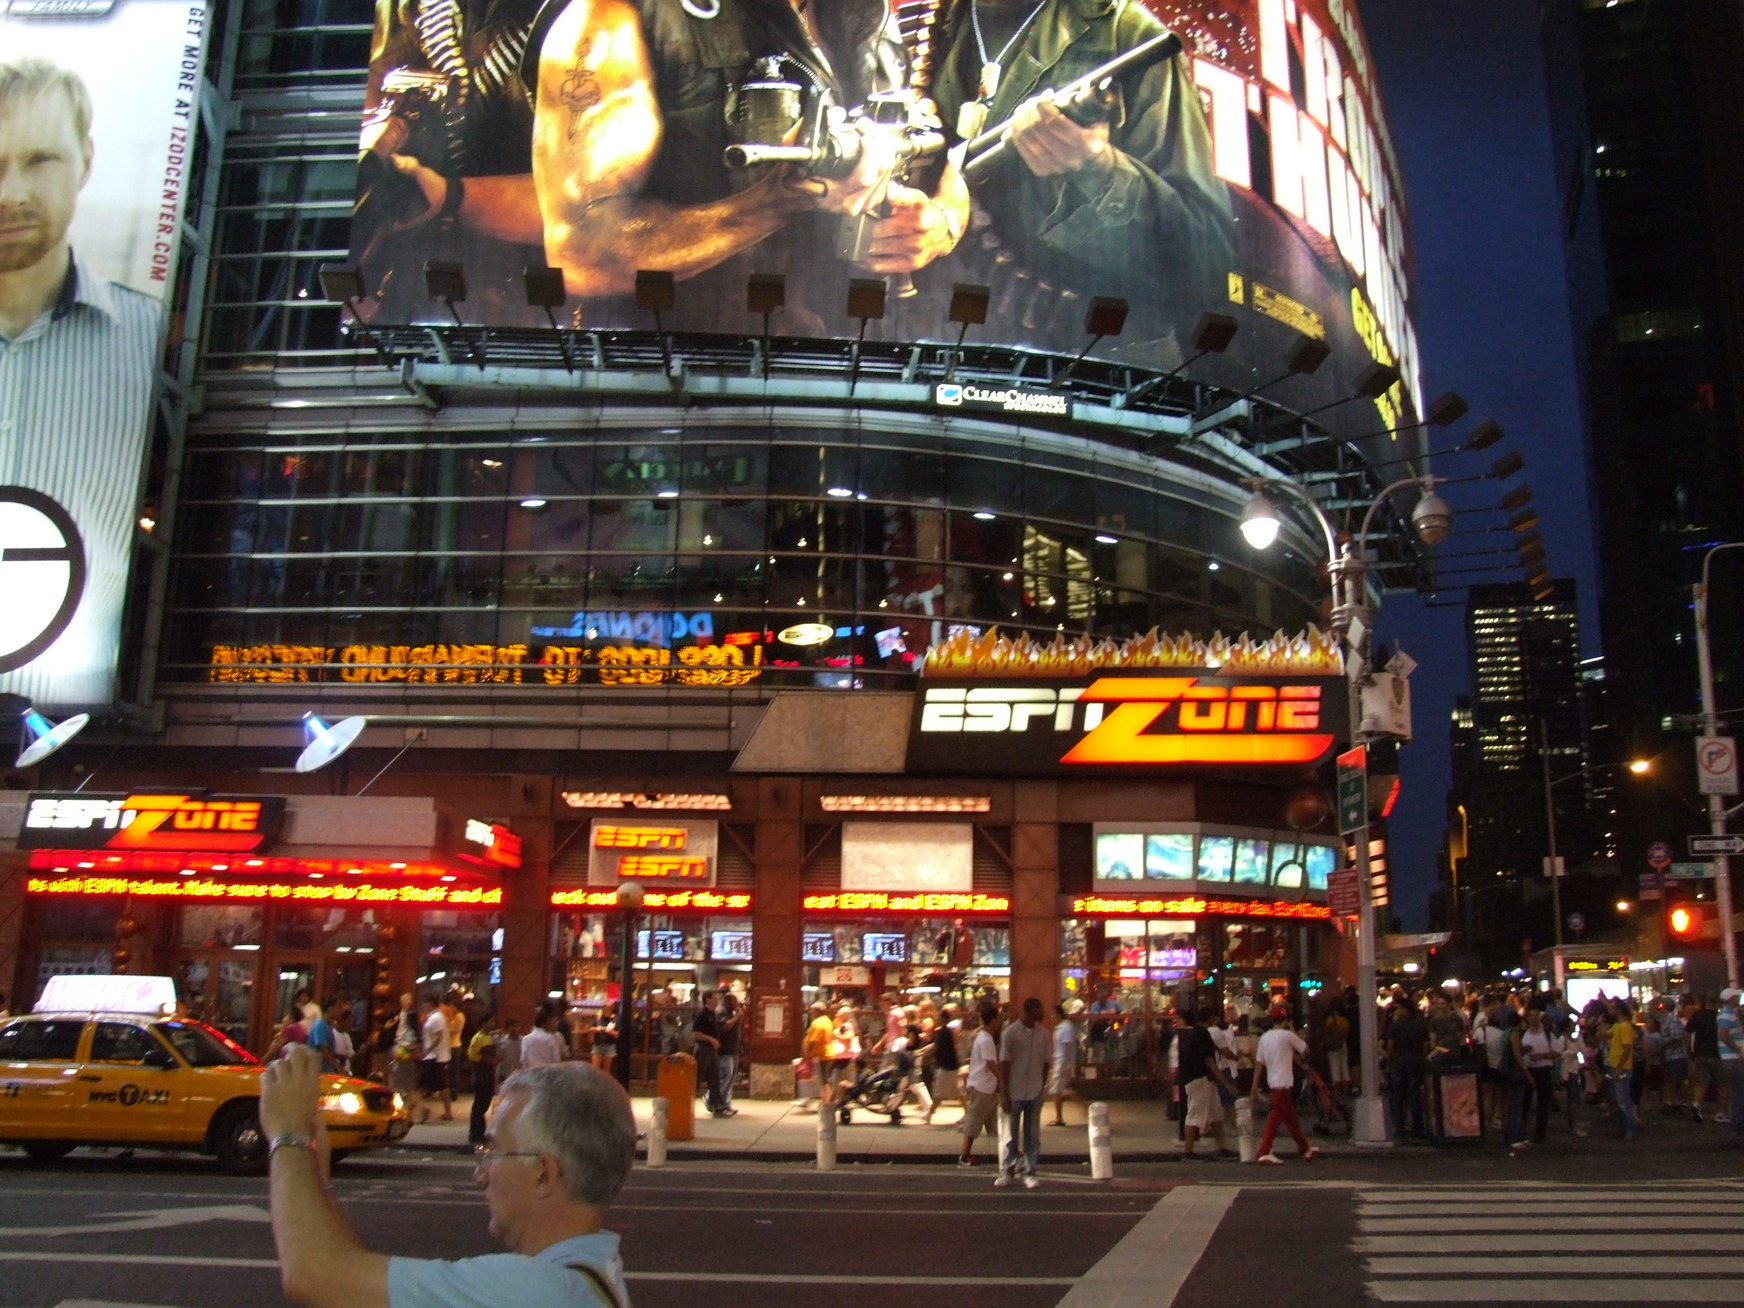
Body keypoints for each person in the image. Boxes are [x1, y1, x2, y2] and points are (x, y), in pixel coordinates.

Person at [523, 0, 967, 335]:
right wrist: (772, 203)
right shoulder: (610, 19)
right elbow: (582, 253)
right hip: (676, 384)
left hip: (845, 379)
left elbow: (934, 156)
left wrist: (940, 223)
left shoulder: (864, 13)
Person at [925, 0, 1233, 359]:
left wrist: (1099, 170)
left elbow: (1208, 263)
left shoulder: (1128, 33)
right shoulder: (918, 27)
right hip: (939, 345)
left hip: (1095, 365)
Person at [0, 60, 165, 705]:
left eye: (39, 160)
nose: (12, 192)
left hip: (77, 701)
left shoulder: (146, 339)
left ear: (86, 161)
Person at [261, 1045, 634, 1307]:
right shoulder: (588, 1276)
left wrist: (287, 1132)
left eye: (494, 1153)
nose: (480, 1175)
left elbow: (314, 1274)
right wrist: (316, 1182)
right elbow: (347, 1289)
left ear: (543, 1175)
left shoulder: (537, 1292)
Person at [1251, 1006, 1318, 1165]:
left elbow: (1259, 1063)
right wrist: (1292, 1029)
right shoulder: (1287, 1035)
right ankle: (1264, 1151)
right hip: (1285, 1081)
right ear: (1286, 1020)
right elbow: (1305, 1049)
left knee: (1290, 1118)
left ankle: (1304, 1148)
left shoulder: (1265, 1038)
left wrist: (1254, 1084)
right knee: (1275, 1118)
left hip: (1273, 1081)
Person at [996, 997, 1049, 1189]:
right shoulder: (1010, 1033)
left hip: (1034, 1091)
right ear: (1029, 1012)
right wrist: (1004, 1093)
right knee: (1010, 1135)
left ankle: (1030, 1172)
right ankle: (1008, 1170)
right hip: (1015, 1091)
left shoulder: (1043, 1034)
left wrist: (1042, 1086)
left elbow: (1046, 1062)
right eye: (1039, 1010)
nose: (1043, 1014)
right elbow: (1005, 1063)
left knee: (1032, 1135)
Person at [1179, 1005, 1236, 1160]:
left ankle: (1223, 1148)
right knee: (1195, 1114)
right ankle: (1188, 1151)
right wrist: (1226, 1083)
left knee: (1215, 1113)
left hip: (1201, 1079)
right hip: (1200, 1079)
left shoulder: (1195, 1033)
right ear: (1211, 1017)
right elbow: (1210, 1062)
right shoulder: (1202, 1035)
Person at [957, 1001, 1001, 1168]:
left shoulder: (982, 1037)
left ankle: (1008, 1153)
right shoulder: (986, 1039)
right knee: (974, 1123)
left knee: (994, 1125)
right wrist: (1002, 1082)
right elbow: (991, 1064)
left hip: (985, 1087)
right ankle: (964, 1156)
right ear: (994, 1019)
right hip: (982, 1087)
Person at [1384, 997, 1428, 1141]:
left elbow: (1390, 1045)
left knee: (1397, 1095)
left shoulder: (1396, 1026)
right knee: (1414, 1094)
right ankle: (1417, 1127)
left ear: (1404, 1009)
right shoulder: (1419, 1025)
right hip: (1416, 1061)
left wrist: (1389, 1060)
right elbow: (1425, 1046)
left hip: (1399, 1062)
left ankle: (1399, 1126)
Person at [1686, 992, 1725, 1122]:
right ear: (1716, 1004)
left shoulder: (1697, 1016)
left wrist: (1689, 1050)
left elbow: (1687, 1033)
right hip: (1716, 1053)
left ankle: (1697, 1103)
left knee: (1701, 1082)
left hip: (1699, 1054)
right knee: (1722, 1083)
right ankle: (1720, 1112)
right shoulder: (1719, 1016)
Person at [468, 1016, 501, 1147]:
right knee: (479, 1105)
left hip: (488, 1074)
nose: (493, 1024)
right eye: (491, 1021)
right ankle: (475, 1134)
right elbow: (472, 1055)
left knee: (484, 1104)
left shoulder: (487, 1037)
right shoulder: (478, 1038)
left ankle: (480, 1132)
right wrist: (488, 1061)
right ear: (484, 1023)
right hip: (481, 1075)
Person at [1047, 1000, 1082, 1126]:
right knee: (1059, 1090)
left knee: (1056, 1091)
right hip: (1060, 1061)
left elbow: (1067, 1047)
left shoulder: (1066, 1027)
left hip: (1062, 1062)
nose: (1052, 1017)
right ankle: (1081, 1106)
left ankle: (1059, 1117)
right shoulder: (1062, 1027)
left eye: (1053, 1015)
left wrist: (1065, 1064)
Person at [691, 990, 725, 1117]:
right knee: (697, 1077)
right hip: (703, 1049)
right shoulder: (702, 1015)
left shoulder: (713, 1014)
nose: (716, 1001)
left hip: (713, 1051)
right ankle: (687, 1102)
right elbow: (695, 1033)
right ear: (707, 1000)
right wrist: (710, 1039)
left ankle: (717, 1105)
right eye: (714, 998)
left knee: (714, 1078)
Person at [1718, 987, 1744, 1138]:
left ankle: (1737, 1123)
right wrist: (1737, 1050)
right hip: (1731, 1058)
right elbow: (1724, 1035)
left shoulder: (1731, 1013)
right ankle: (1737, 1124)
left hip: (1732, 1057)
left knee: (1738, 1091)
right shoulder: (1727, 1014)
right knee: (1738, 1091)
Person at [799, 1002, 833, 1111]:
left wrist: (807, 1054)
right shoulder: (827, 1020)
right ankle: (823, 1101)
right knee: (822, 1080)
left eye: (812, 1010)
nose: (810, 1012)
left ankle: (826, 1102)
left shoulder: (818, 1023)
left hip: (822, 1055)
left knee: (823, 1081)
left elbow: (813, 1041)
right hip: (825, 1054)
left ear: (818, 1011)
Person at [716, 992, 743, 1116]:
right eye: (735, 1002)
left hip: (734, 1049)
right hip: (725, 1050)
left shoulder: (731, 1012)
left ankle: (726, 1103)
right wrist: (738, 1016)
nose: (737, 1004)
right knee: (726, 1077)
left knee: (731, 1078)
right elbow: (725, 1026)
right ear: (728, 1002)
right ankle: (716, 1101)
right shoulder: (721, 1012)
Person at [522, 1000, 568, 1070]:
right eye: (554, 1021)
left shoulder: (526, 1038)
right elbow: (556, 1060)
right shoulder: (551, 1038)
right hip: (548, 1075)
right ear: (545, 1022)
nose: (556, 1023)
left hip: (531, 1074)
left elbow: (524, 1060)